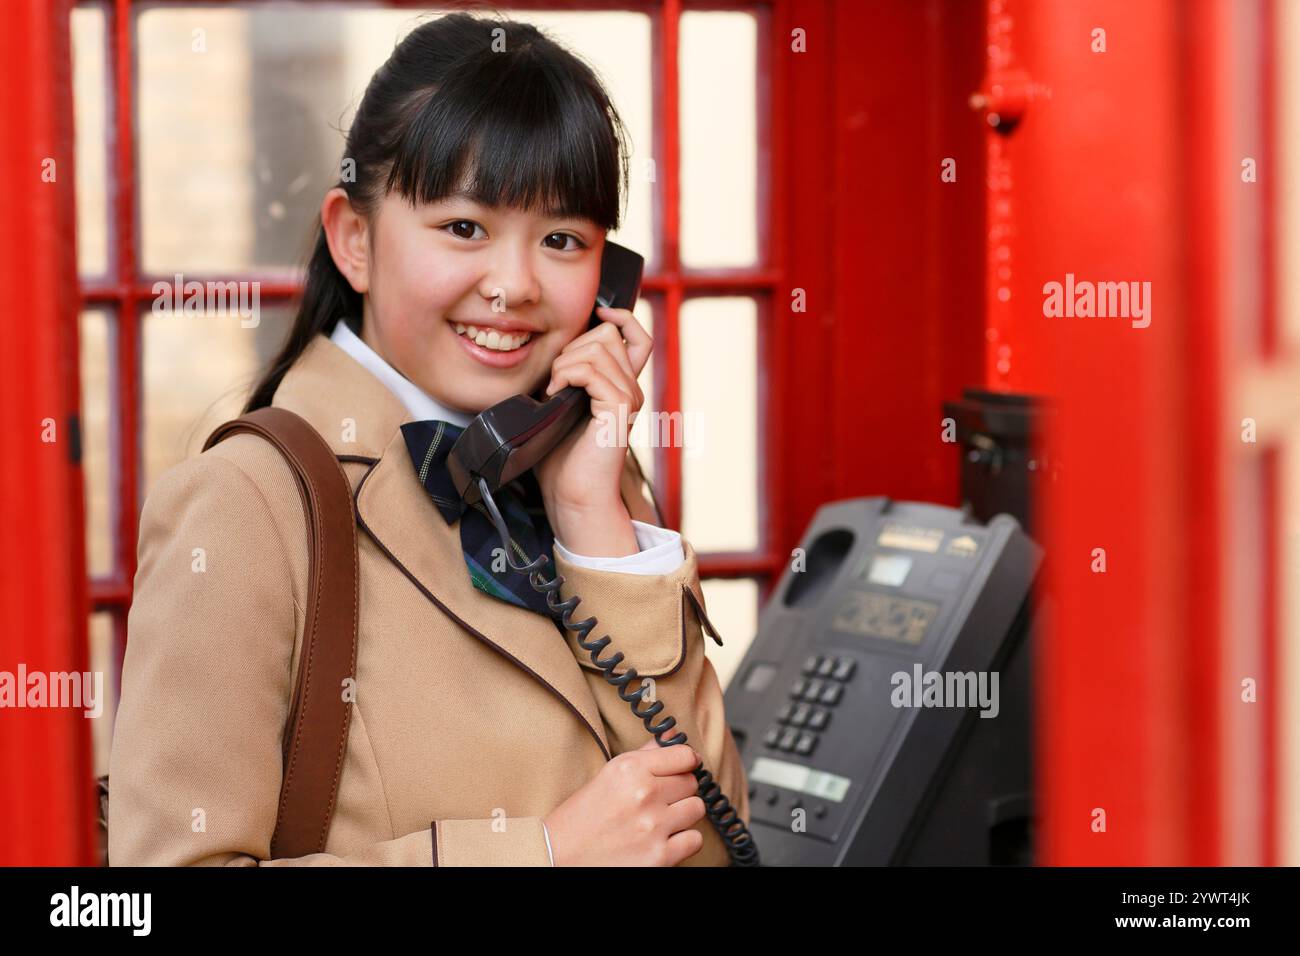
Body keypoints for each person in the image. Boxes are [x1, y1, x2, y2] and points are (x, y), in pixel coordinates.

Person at [108, 10, 750, 867]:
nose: (515, 286)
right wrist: (545, 856)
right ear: (356, 240)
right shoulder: (244, 506)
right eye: (464, 229)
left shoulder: (590, 476)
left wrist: (592, 517)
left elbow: (718, 837)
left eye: (562, 241)